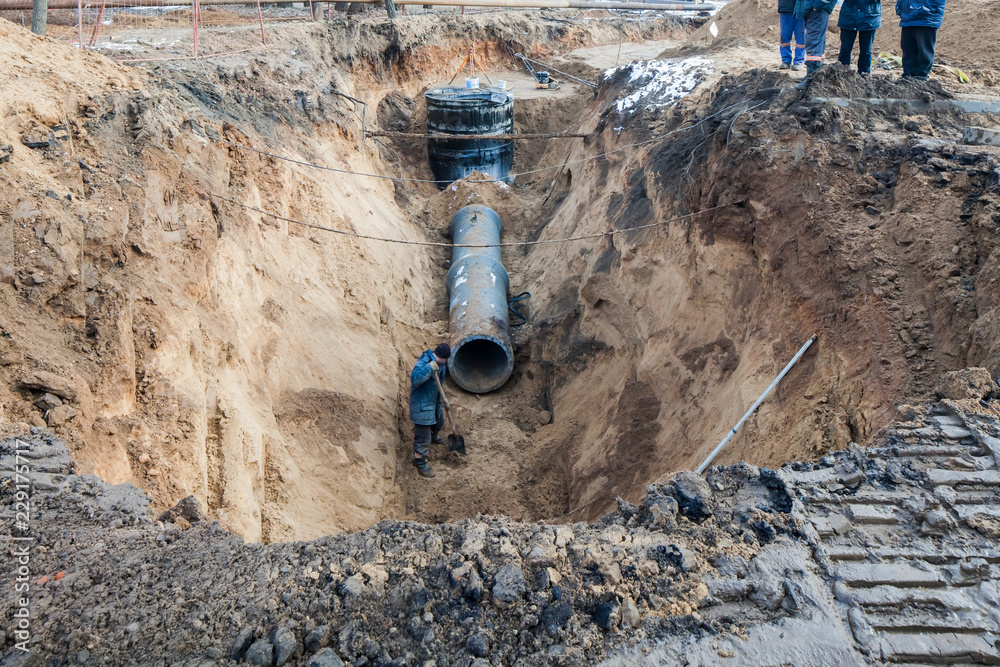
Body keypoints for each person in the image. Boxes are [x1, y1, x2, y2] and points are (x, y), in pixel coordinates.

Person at [408, 343, 451, 478]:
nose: (445, 362)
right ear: (442, 357)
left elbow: (439, 385)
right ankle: (420, 463)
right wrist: (428, 368)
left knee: (440, 421)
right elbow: (415, 380)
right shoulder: (424, 363)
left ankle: (434, 436)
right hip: (421, 405)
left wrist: (444, 399)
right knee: (423, 438)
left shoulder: (441, 365)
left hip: (433, 402)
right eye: (445, 359)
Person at [896, 0, 946, 80]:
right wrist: (900, 6)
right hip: (908, 17)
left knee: (924, 50)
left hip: (925, 19)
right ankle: (908, 75)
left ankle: (921, 76)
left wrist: (926, 9)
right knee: (908, 48)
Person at [794, 0, 839, 77]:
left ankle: (811, 77)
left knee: (813, 43)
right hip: (811, 9)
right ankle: (815, 75)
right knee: (817, 44)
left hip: (817, 10)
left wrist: (818, 6)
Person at [838, 0, 882, 74]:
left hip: (869, 17)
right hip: (849, 16)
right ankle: (842, 74)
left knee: (866, 51)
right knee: (845, 49)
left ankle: (864, 74)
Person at [778, 0, 806, 71]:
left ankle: (798, 61)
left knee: (801, 36)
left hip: (801, 9)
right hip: (785, 7)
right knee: (784, 36)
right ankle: (786, 60)